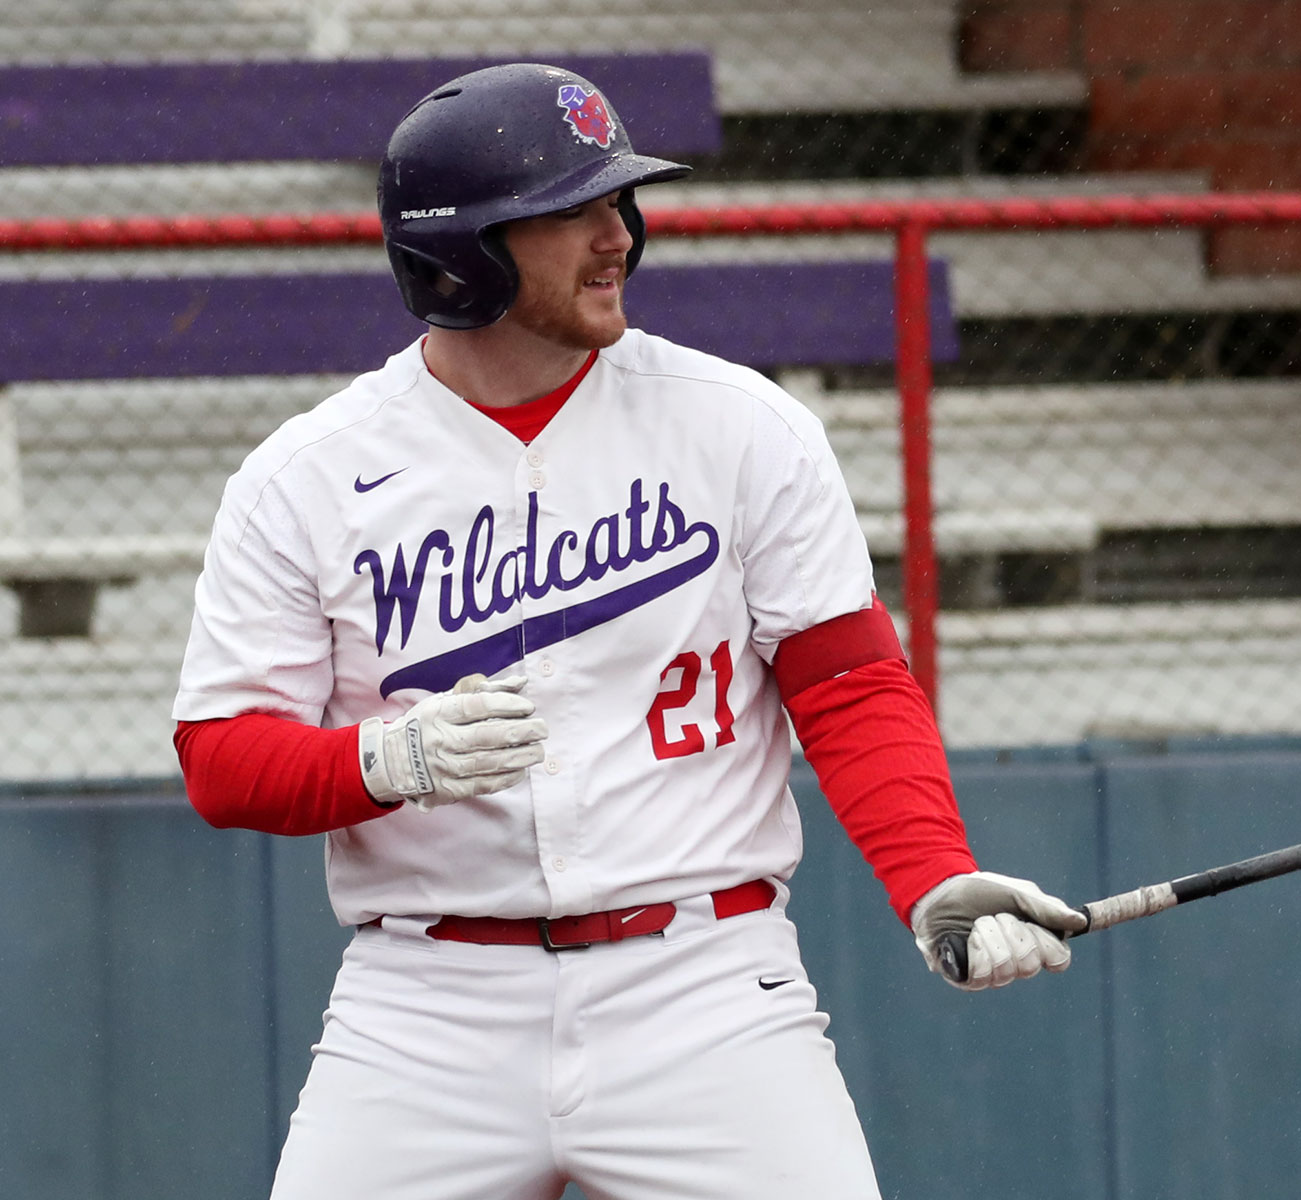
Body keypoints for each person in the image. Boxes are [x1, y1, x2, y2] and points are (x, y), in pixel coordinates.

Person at [171, 61, 1086, 1200]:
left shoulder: (740, 426)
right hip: (425, 1006)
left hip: (703, 983)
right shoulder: (306, 476)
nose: (617, 237)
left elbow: (849, 688)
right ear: (459, 255)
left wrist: (933, 878)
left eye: (620, 202)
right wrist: (385, 760)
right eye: (569, 212)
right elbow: (220, 759)